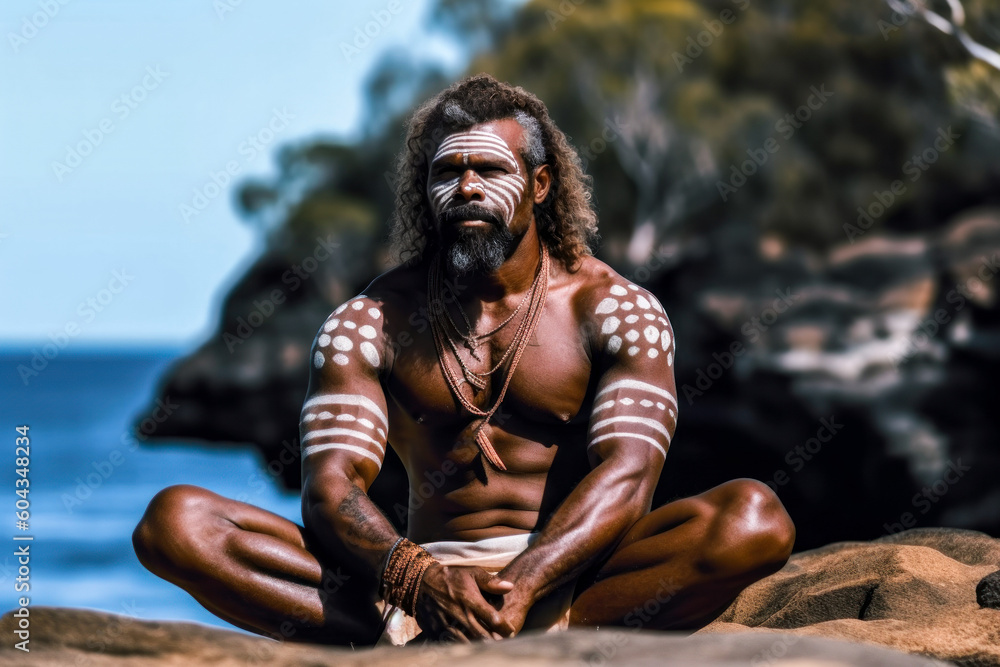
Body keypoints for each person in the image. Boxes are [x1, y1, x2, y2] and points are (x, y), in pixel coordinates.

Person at [133, 73, 795, 646]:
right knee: (177, 522)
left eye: (491, 170)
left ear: (539, 184)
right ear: (425, 190)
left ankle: (547, 630)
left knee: (753, 519)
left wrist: (527, 581)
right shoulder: (370, 322)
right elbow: (330, 488)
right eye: (448, 172)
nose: (468, 187)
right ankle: (407, 638)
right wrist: (420, 582)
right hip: (406, 595)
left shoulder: (615, 310)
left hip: (569, 580)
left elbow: (629, 474)